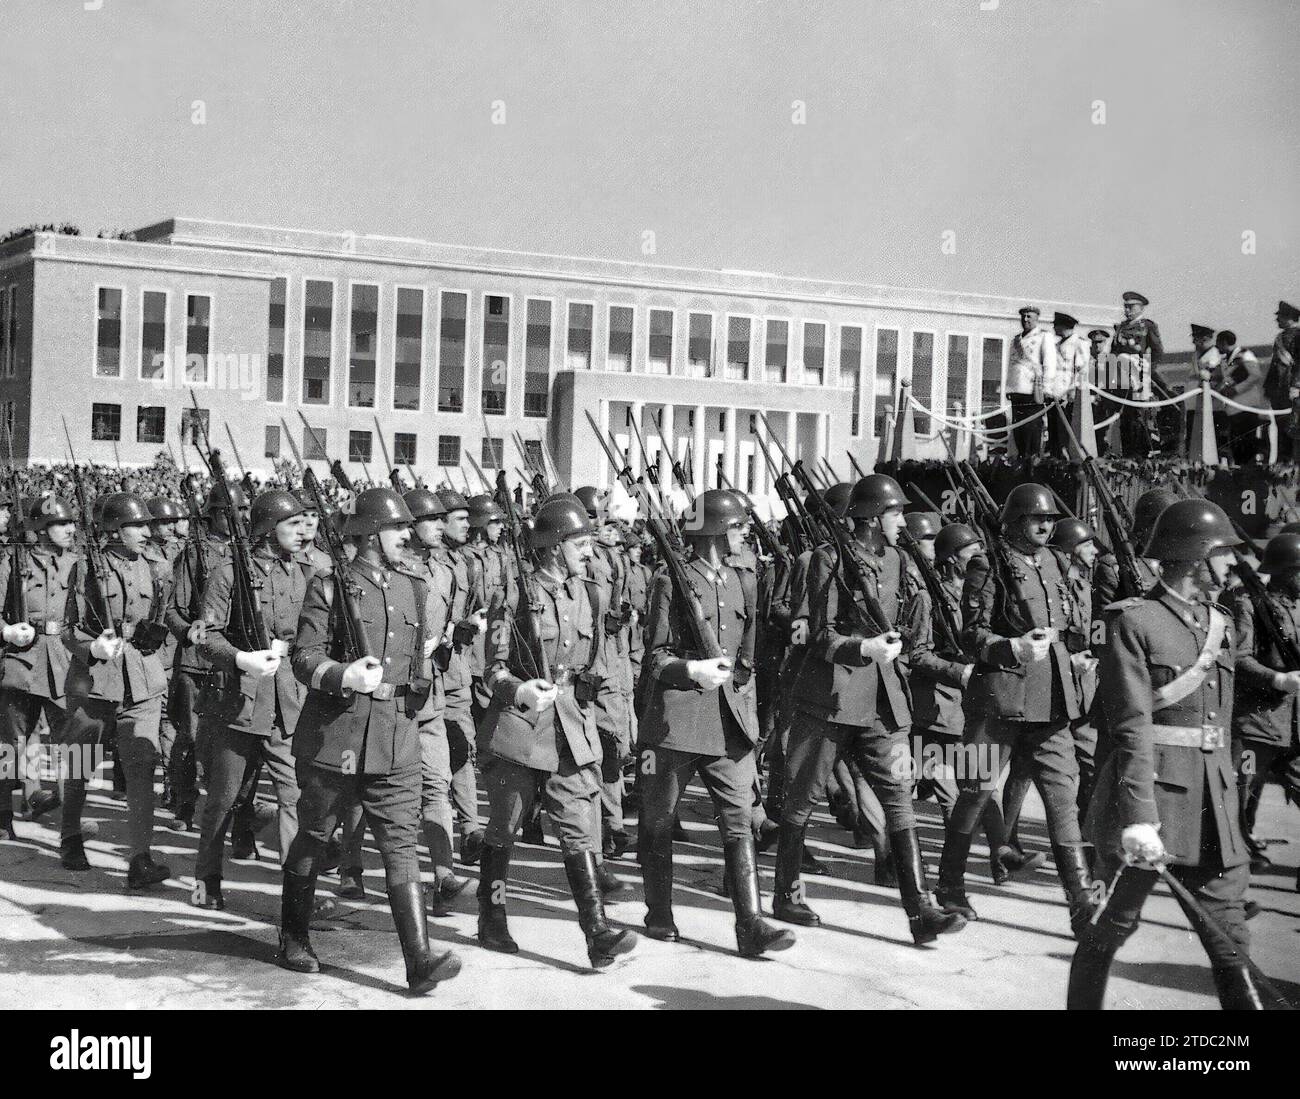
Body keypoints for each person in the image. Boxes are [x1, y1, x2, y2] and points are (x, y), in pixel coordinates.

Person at [1068, 499, 1261, 1010]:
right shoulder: (1136, 623)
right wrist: (1138, 818)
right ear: (1199, 556)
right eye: (1224, 554)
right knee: (1110, 926)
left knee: (1229, 935)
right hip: (1155, 803)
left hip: (1213, 806)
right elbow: (1132, 727)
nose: (1232, 564)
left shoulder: (1218, 622)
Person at [277, 487, 461, 995]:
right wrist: (342, 674)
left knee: (402, 843)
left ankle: (418, 960)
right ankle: (293, 936)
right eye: (398, 528)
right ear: (370, 534)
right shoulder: (329, 586)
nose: (408, 535)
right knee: (315, 835)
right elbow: (303, 656)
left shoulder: (413, 588)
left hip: (396, 736)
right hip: (336, 734)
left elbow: (418, 668)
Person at [775, 476, 966, 944]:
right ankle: (786, 894)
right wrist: (865, 648)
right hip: (831, 699)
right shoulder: (827, 559)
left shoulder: (900, 561)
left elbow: (913, 630)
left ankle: (921, 911)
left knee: (900, 797)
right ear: (872, 519)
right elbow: (816, 635)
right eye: (896, 513)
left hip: (885, 702)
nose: (903, 521)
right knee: (803, 798)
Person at [474, 494, 638, 968]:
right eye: (580, 543)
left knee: (578, 827)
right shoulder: (516, 595)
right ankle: (492, 915)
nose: (589, 551)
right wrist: (520, 689)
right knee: (505, 826)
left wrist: (607, 723)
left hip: (572, 727)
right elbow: (494, 669)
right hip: (522, 729)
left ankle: (597, 931)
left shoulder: (589, 592)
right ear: (552, 547)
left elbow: (597, 667)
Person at [934, 484, 1098, 935]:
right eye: (1034, 519)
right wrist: (1010, 647)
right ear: (1012, 523)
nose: (1045, 525)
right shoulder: (986, 566)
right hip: (1000, 702)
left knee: (1063, 800)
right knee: (975, 793)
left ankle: (1082, 902)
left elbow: (1068, 625)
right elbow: (971, 634)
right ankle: (949, 887)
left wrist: (1075, 656)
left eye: (1049, 518)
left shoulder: (1056, 562)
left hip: (1053, 703)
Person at [638, 488, 794, 957]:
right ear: (715, 531)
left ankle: (751, 923)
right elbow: (653, 657)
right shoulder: (671, 581)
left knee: (739, 820)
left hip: (729, 722)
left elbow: (747, 651)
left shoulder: (740, 580)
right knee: (659, 820)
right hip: (678, 721)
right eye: (737, 526)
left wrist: (740, 682)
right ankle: (659, 912)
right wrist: (690, 670)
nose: (745, 532)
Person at [189, 490, 315, 911]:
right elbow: (205, 636)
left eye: (305, 522)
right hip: (238, 702)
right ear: (266, 528)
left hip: (286, 703)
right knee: (224, 798)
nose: (303, 530)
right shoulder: (229, 573)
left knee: (294, 793)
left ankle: (297, 893)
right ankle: (206, 879)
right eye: (293, 523)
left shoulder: (304, 574)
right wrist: (241, 657)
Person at [59, 492, 173, 886]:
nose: (146, 532)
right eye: (137, 526)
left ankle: (140, 858)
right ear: (114, 530)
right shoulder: (87, 568)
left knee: (142, 770)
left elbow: (161, 618)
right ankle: (71, 836)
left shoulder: (156, 567)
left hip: (142, 680)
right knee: (80, 763)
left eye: (146, 525)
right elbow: (68, 628)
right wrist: (91, 646)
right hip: (95, 682)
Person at [0, 495, 79, 838]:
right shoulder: (12, 563)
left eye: (71, 522)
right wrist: (5, 631)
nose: (70, 529)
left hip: (66, 663)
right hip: (22, 663)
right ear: (41, 529)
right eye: (61, 523)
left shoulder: (79, 564)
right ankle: (3, 813)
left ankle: (72, 829)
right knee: (10, 745)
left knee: (77, 748)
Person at [1229, 532, 1300, 880]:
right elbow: (1238, 658)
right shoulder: (1249, 605)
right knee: (1239, 797)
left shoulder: (1298, 607)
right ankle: (1228, 874)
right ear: (1284, 571)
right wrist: (1277, 679)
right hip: (1257, 723)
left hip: (1296, 726)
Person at [1111, 291, 1163, 457]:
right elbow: (1114, 351)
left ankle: (1143, 452)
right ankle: (1127, 454)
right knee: (1123, 414)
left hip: (1139, 375)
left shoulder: (1147, 326)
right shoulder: (1120, 327)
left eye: (1131, 307)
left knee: (1139, 415)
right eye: (1125, 306)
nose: (1127, 310)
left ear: (1141, 308)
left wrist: (1148, 369)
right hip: (1120, 375)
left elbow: (1157, 350)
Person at [1006, 306, 1056, 457]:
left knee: (1031, 429)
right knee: (1018, 430)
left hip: (1032, 391)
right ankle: (1021, 460)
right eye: (1023, 316)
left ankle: (1031, 461)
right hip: (1017, 390)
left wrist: (1047, 387)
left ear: (1036, 319)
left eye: (1029, 316)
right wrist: (1008, 388)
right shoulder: (1016, 339)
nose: (1025, 319)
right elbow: (1012, 365)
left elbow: (1049, 362)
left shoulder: (1043, 336)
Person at [1214, 331, 1267, 464]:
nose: (1217, 347)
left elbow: (1255, 376)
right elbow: (1226, 379)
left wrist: (1236, 390)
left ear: (1224, 342)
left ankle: (1249, 470)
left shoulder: (1245, 355)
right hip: (1234, 408)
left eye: (1218, 343)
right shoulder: (1227, 359)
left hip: (1247, 406)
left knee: (1247, 442)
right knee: (1237, 443)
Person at [1263, 301, 1300, 462]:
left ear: (1289, 318)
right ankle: (1284, 462)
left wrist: (1296, 386)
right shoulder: (1279, 338)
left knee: (1294, 427)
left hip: (1292, 389)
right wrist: (1268, 389)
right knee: (1281, 427)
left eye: (1280, 317)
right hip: (1279, 390)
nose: (1277, 320)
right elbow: (1274, 366)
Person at [1048, 313, 1089, 457]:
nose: (1053, 327)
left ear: (1063, 326)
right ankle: (1056, 457)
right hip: (1055, 394)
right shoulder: (1056, 345)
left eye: (1055, 325)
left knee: (1066, 431)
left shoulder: (1079, 343)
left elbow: (1082, 370)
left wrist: (1073, 390)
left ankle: (1066, 457)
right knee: (1054, 430)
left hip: (1068, 395)